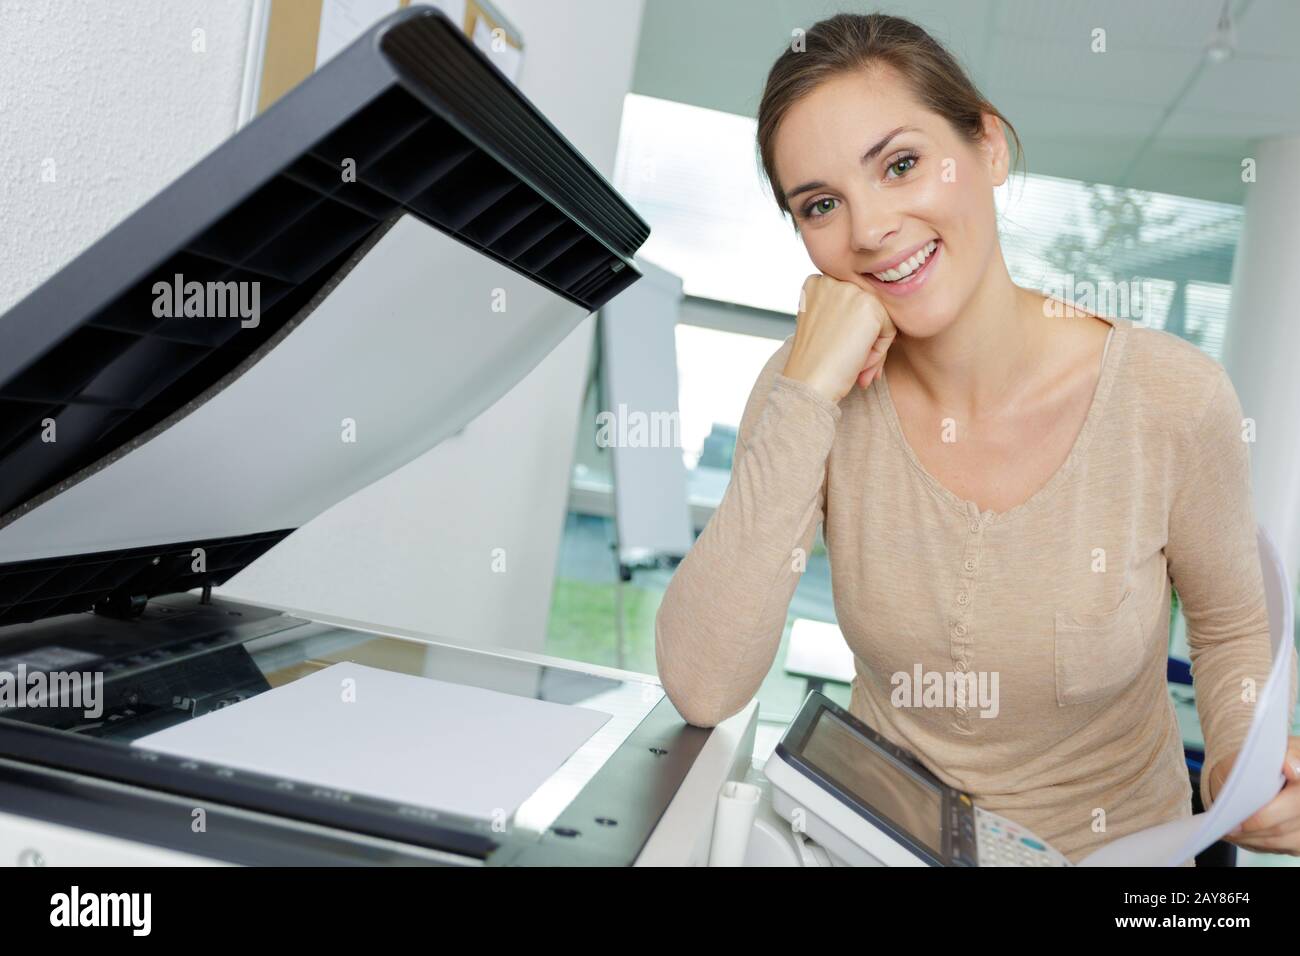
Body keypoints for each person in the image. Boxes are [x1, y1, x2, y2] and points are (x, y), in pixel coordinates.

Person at [654, 11, 1300, 863]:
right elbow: (704, 687)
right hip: (883, 845)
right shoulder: (805, 389)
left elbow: (1226, 627)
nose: (871, 228)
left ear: (988, 148)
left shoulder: (1170, 398)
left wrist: (1237, 761)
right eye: (820, 204)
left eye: (902, 164)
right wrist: (807, 388)